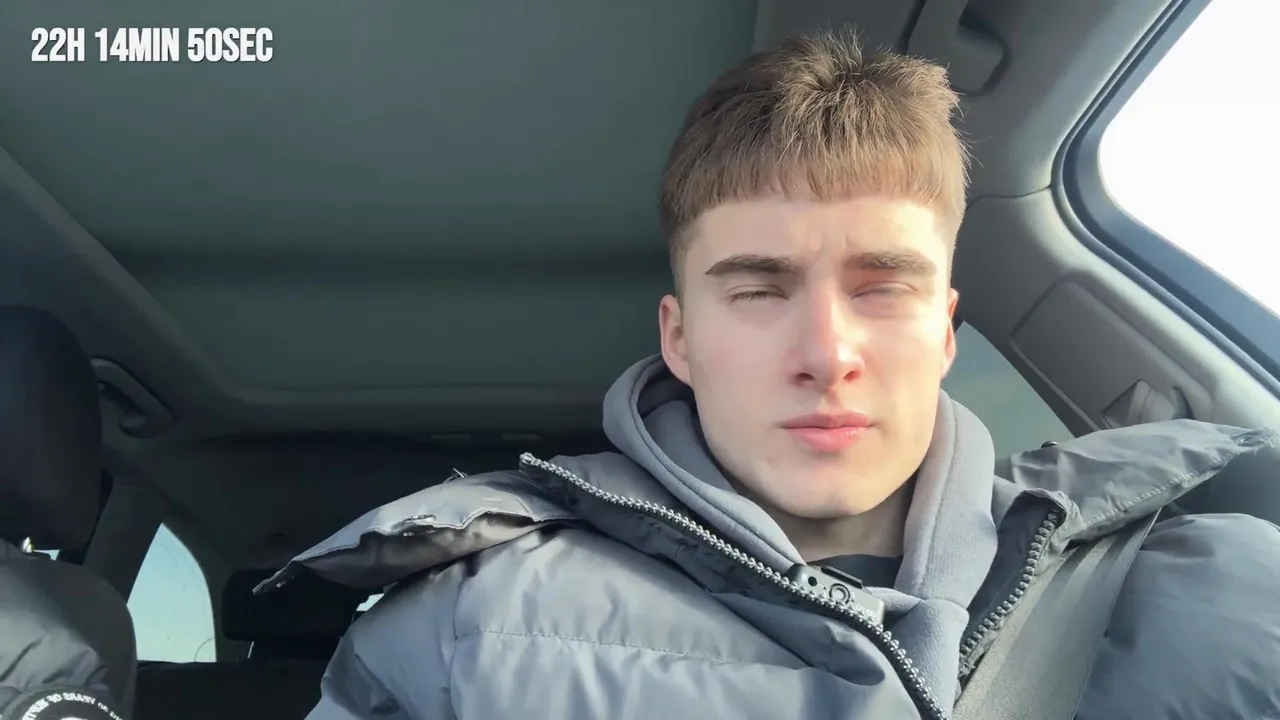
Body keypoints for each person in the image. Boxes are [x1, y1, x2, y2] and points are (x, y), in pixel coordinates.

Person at [269, 32, 1280, 719]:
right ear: (679, 340)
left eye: (882, 288)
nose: (826, 353)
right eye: (757, 291)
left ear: (943, 332)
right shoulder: (457, 638)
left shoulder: (1229, 590)